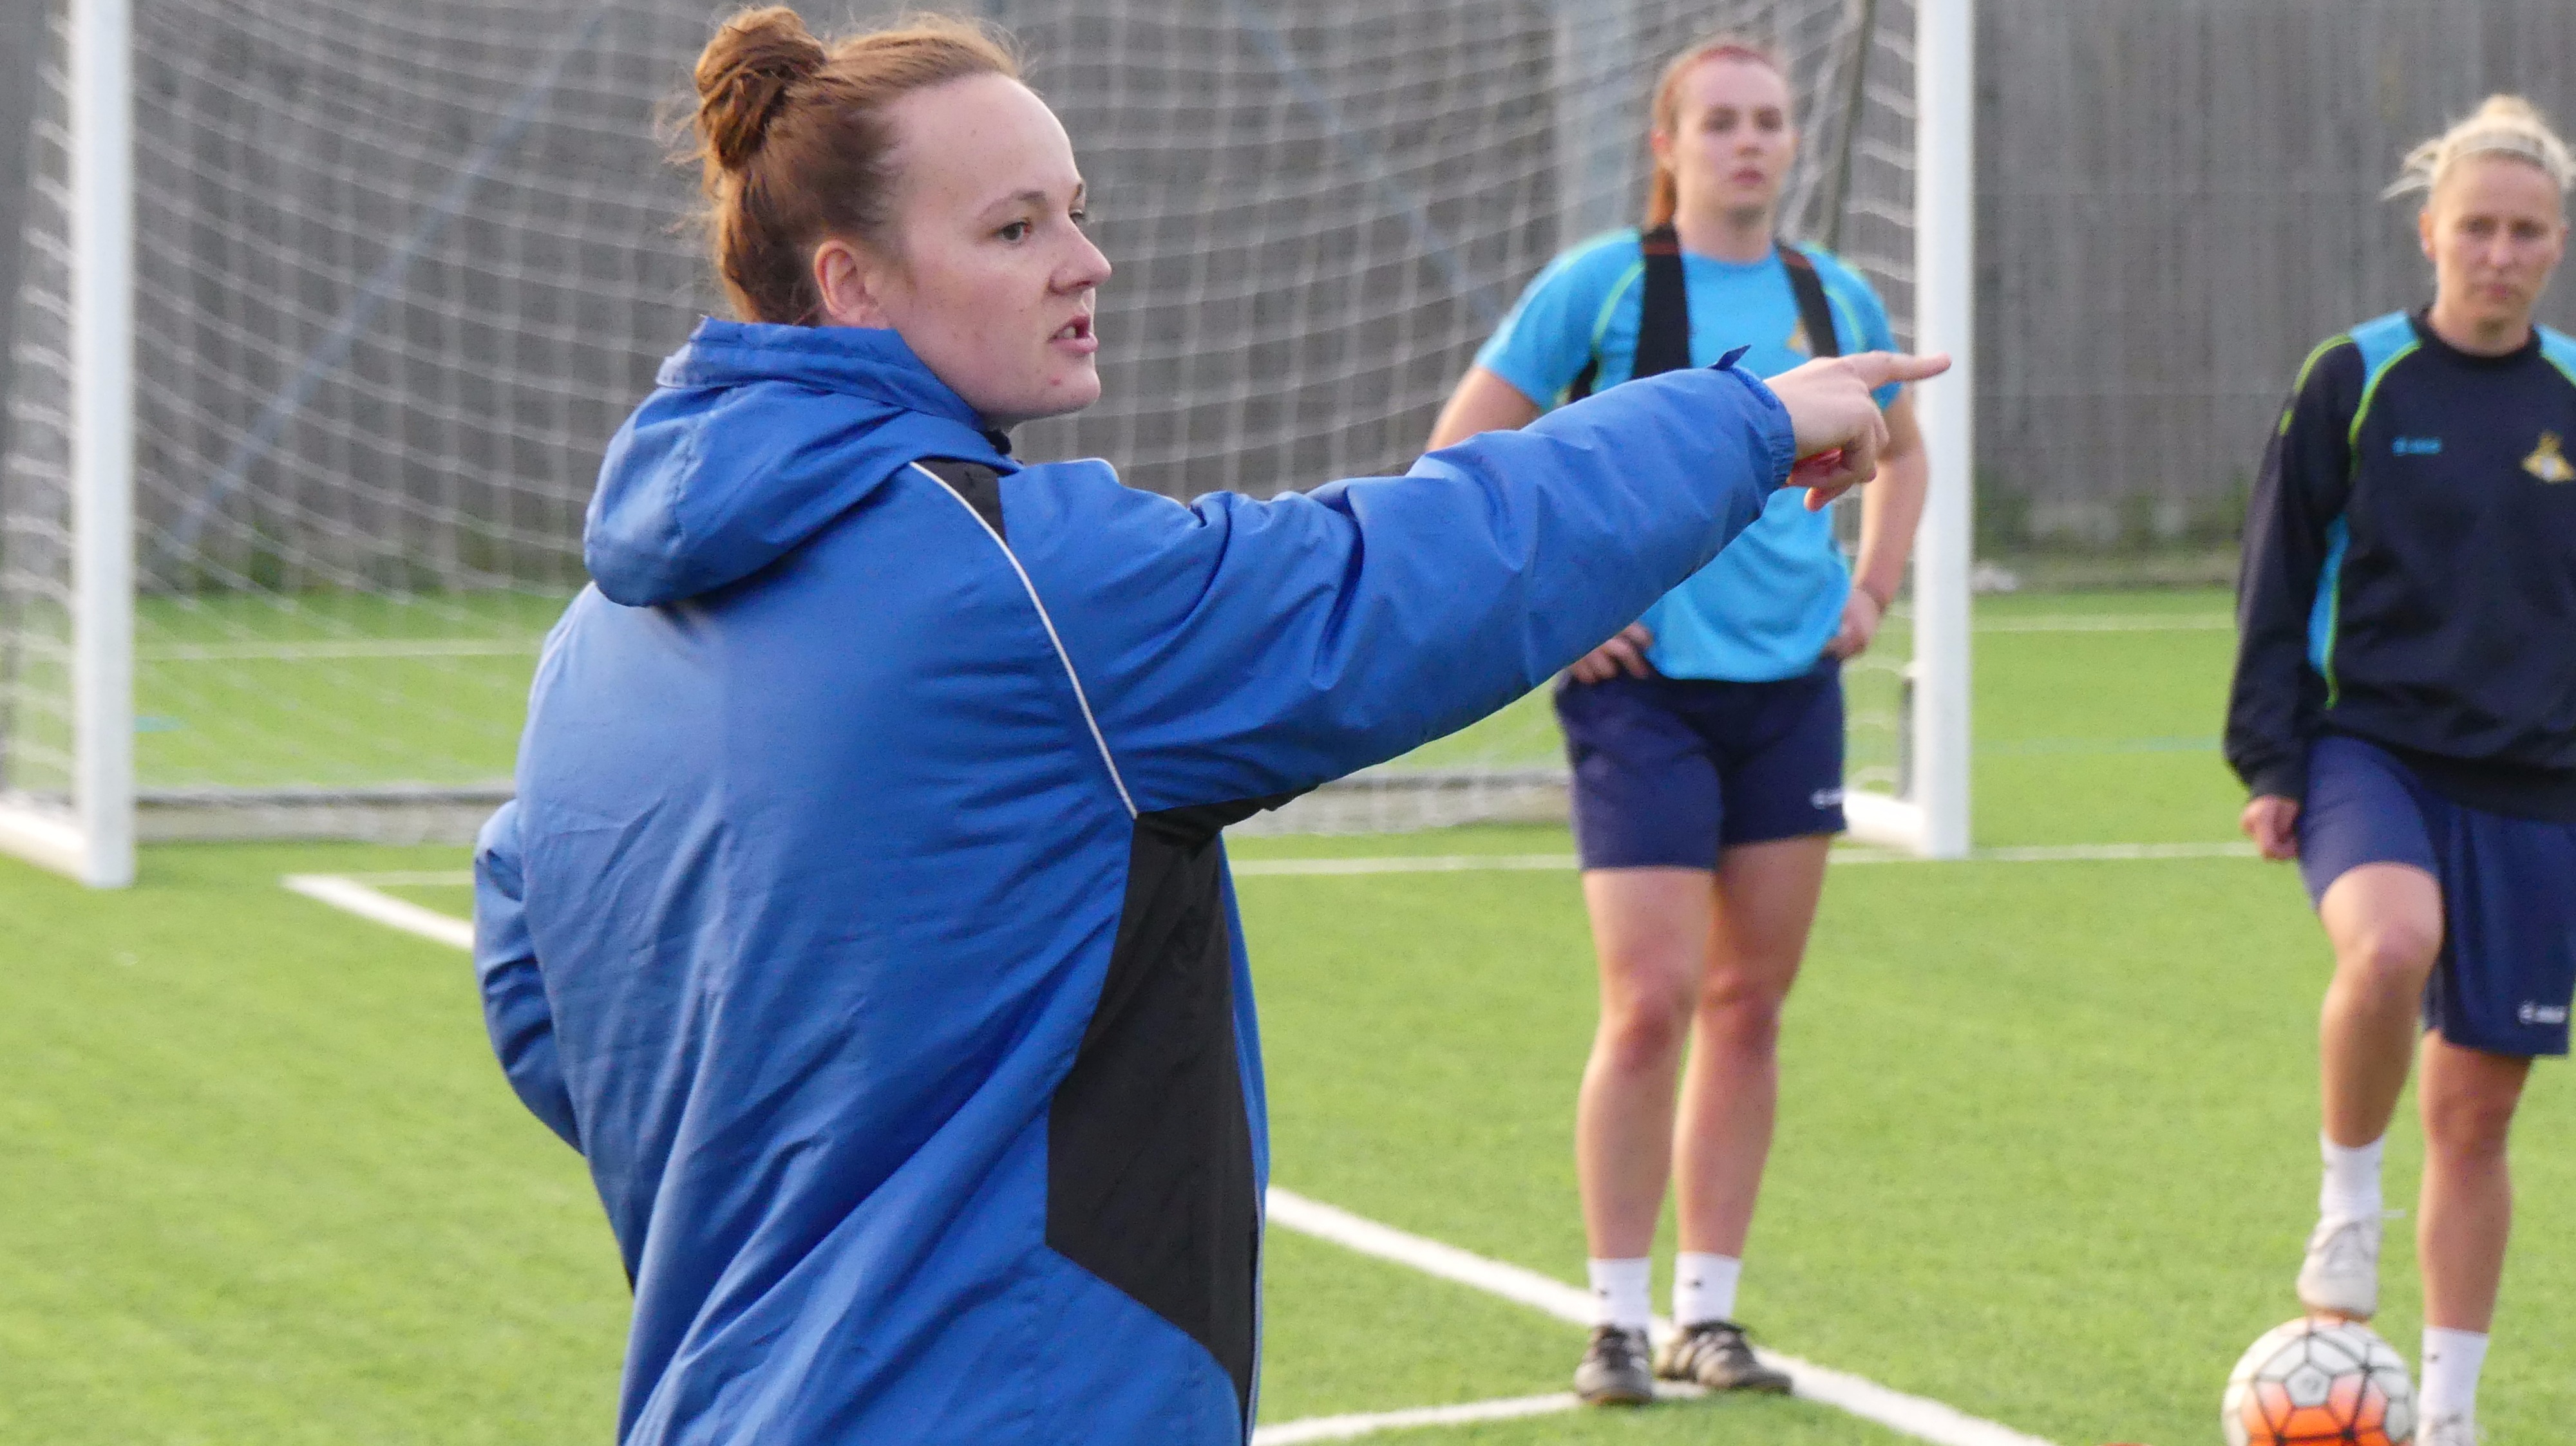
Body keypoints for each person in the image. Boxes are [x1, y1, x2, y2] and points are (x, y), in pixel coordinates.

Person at [469, 8, 1942, 1443]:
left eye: (1075, 212)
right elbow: (1393, 578)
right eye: (1014, 228)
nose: (1085, 260)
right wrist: (1737, 424)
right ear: (852, 284)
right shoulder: (1018, 589)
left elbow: (543, 996)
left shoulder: (586, 649)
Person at [1424, 35, 1928, 1404]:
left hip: (1788, 694)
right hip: (1639, 698)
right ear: (1667, 145)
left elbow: (1906, 446)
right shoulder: (1598, 286)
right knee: (1645, 1002)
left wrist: (1870, 586)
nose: (1748, 143)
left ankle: (1709, 1314)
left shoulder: (1830, 289)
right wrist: (1565, 607)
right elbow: (1460, 450)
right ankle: (1611, 1318)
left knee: (1747, 1005)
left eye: (1767, 121)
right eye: (1718, 122)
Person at [2226, 95, 2576, 1446]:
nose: (2496, 252)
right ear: (2428, 233)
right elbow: (2269, 581)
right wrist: (2269, 754)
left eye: (2525, 232)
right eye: (2474, 227)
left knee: (2478, 1114)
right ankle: (2342, 1212)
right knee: (2385, 949)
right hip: (2366, 747)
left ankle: (2443, 1415)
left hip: (2538, 784)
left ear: (2552, 247)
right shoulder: (2352, 378)